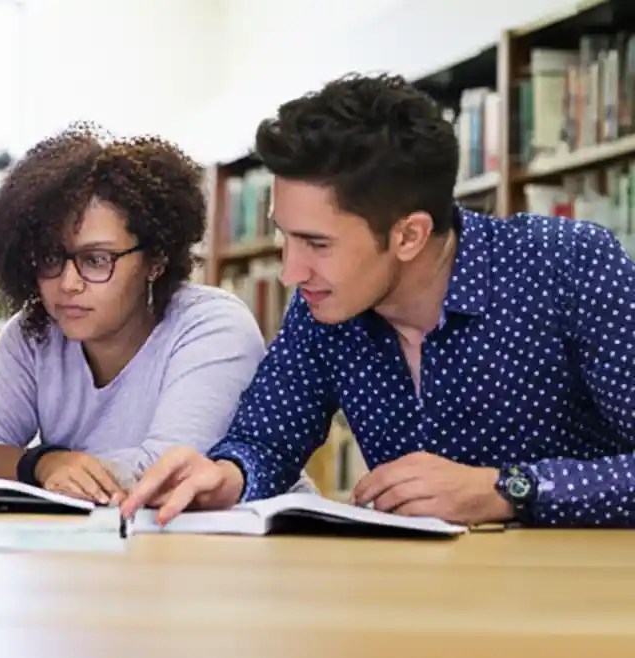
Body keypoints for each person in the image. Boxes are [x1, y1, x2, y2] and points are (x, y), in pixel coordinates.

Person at [123, 72, 635, 529]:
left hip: (585, 606)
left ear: (409, 236)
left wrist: (507, 489)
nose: (289, 272)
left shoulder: (569, 267)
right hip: (415, 605)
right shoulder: (322, 307)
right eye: (286, 237)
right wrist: (227, 476)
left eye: (317, 244)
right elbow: (267, 440)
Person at [0, 123, 266, 503]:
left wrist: (45, 469)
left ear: (155, 259)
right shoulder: (34, 334)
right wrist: (43, 464)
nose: (68, 283)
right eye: (50, 257)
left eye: (96, 260)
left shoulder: (213, 327)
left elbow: (162, 472)